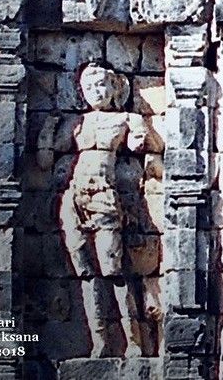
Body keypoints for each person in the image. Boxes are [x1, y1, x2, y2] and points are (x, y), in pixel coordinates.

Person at [44, 62, 163, 358]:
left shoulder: (126, 118)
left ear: (115, 88)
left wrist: (140, 135)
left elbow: (146, 145)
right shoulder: (78, 123)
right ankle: (99, 342)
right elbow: (47, 159)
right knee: (86, 273)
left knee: (113, 270)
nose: (95, 92)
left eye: (101, 85)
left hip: (104, 194)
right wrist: (48, 128)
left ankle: (133, 340)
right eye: (88, 87)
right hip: (74, 197)